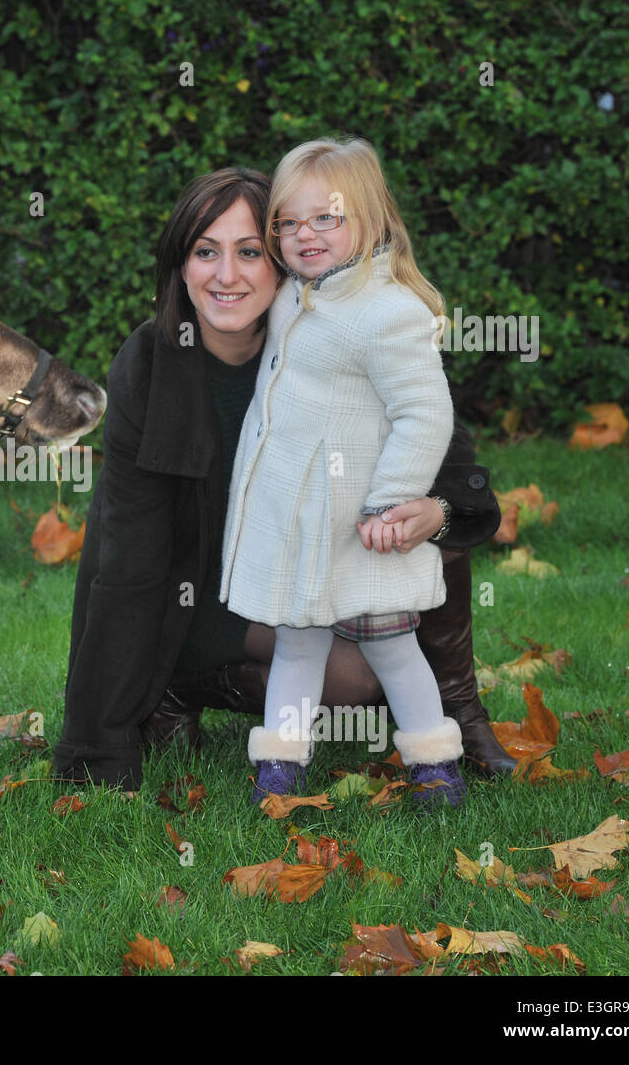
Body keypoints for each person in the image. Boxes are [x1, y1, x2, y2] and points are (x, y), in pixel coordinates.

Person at [52, 165, 511, 794]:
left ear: (284, 263)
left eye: (249, 252)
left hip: (302, 574)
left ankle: (459, 714)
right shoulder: (151, 361)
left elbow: (446, 451)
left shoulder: (340, 328)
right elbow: (124, 552)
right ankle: (168, 691)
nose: (227, 276)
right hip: (189, 594)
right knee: (340, 672)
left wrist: (437, 511)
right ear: (180, 265)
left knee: (413, 530)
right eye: (204, 252)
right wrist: (96, 744)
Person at [219, 138, 471, 808]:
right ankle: (281, 762)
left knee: (393, 648)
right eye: (288, 223)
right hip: (304, 529)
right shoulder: (294, 298)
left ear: (370, 221)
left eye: (325, 218)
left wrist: (392, 502)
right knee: (298, 646)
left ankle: (435, 761)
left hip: (366, 527)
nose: (304, 235)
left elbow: (425, 414)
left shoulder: (387, 312)